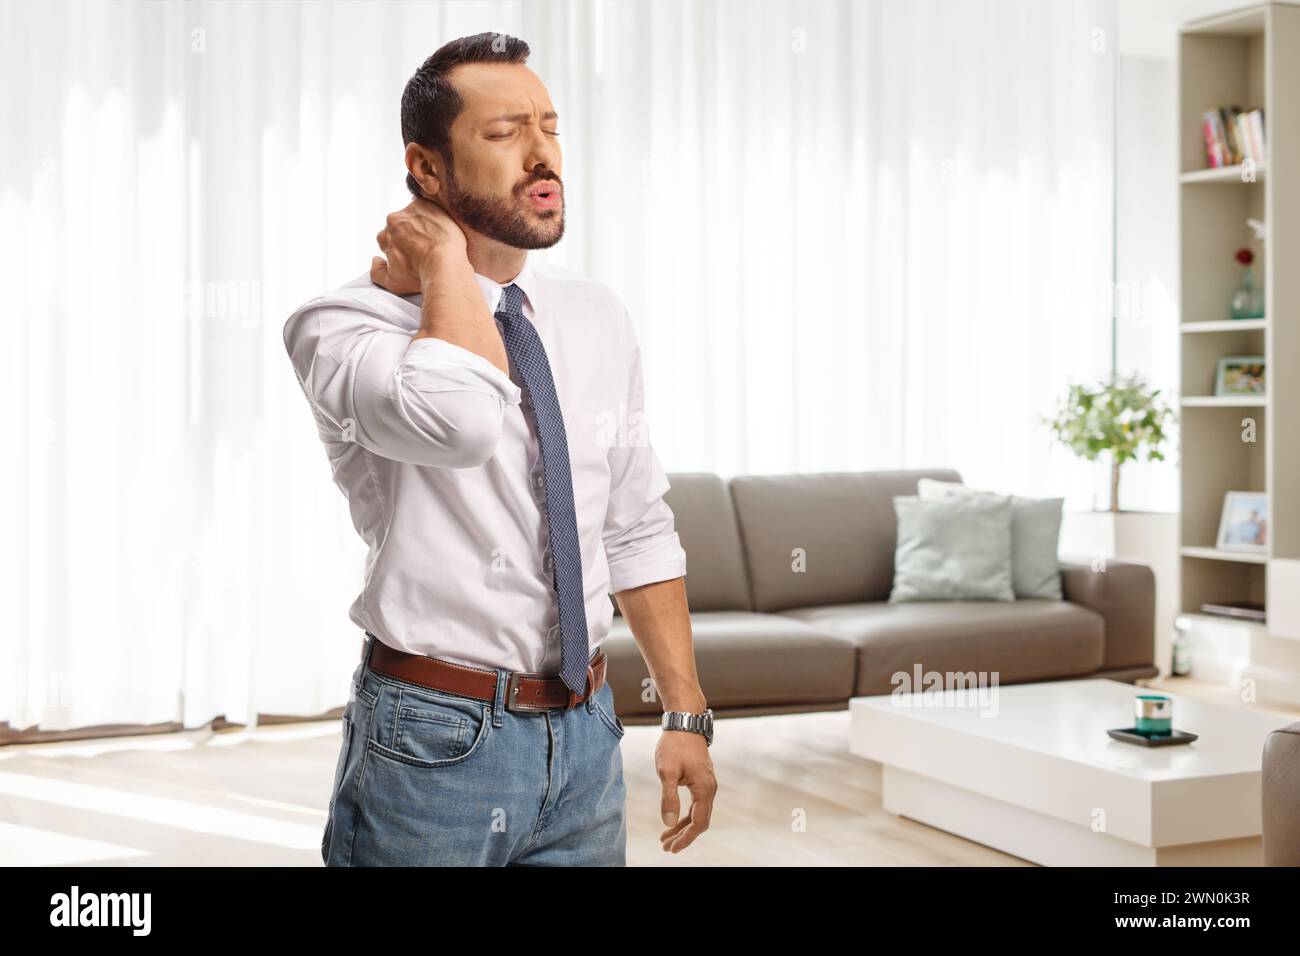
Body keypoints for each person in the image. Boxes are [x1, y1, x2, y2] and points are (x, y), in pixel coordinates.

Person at [282, 32, 716, 866]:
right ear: (427, 168)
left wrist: (686, 713)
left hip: (588, 730)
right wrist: (446, 260)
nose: (541, 152)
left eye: (549, 127)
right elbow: (463, 418)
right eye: (504, 132)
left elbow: (634, 524)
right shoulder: (341, 327)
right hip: (433, 742)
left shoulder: (596, 315)